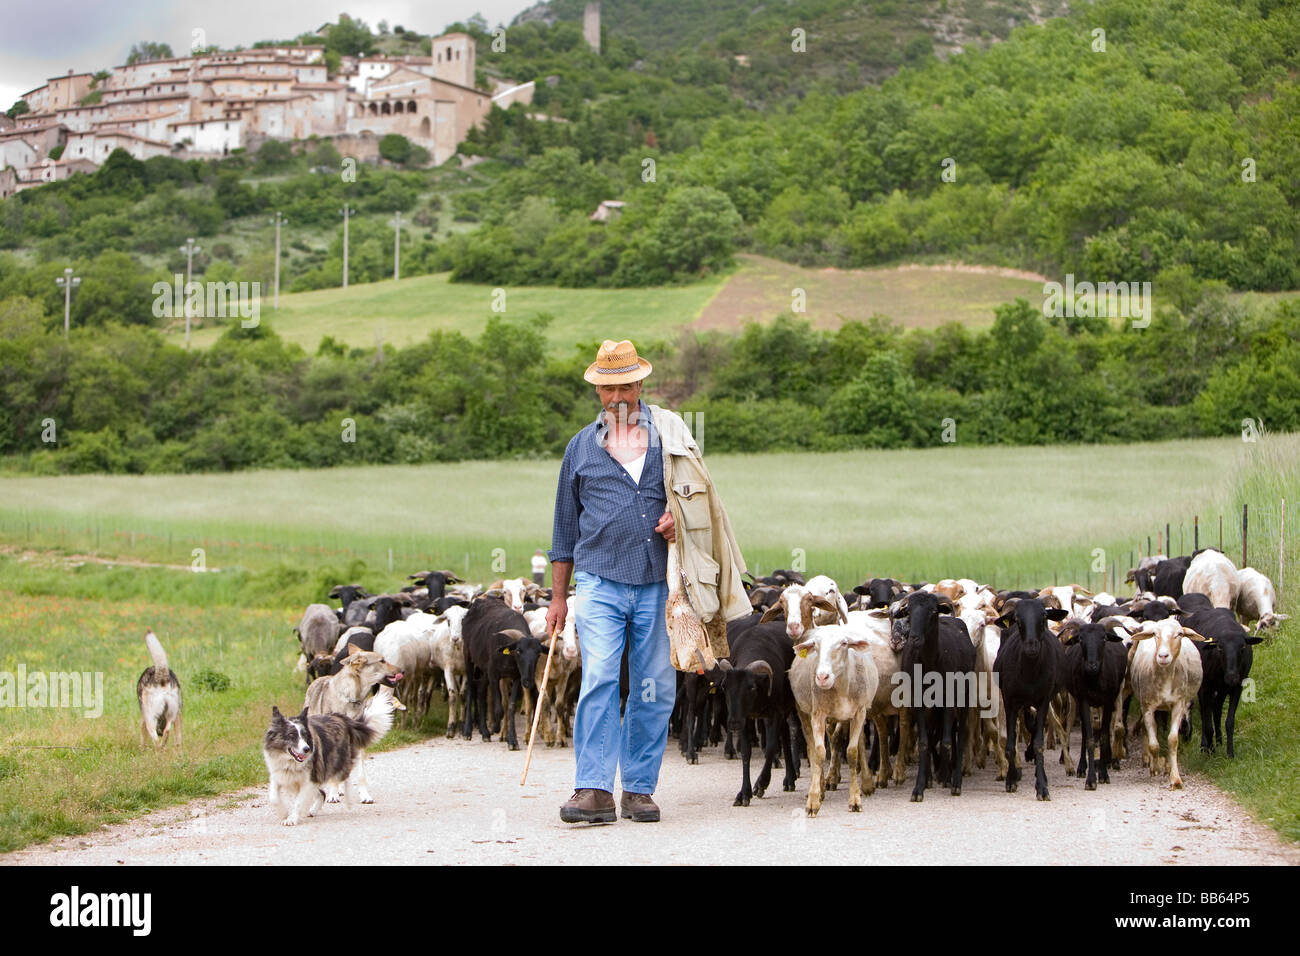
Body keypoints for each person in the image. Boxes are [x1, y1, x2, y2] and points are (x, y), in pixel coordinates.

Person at [545, 339, 678, 824]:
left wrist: (677, 519)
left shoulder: (672, 440)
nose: (617, 396)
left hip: (659, 583)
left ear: (640, 383)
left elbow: (700, 502)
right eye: (607, 388)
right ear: (598, 391)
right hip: (598, 582)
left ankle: (639, 789)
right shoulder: (580, 447)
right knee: (599, 676)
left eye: (625, 385)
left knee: (655, 685)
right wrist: (558, 597)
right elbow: (564, 527)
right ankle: (594, 789)